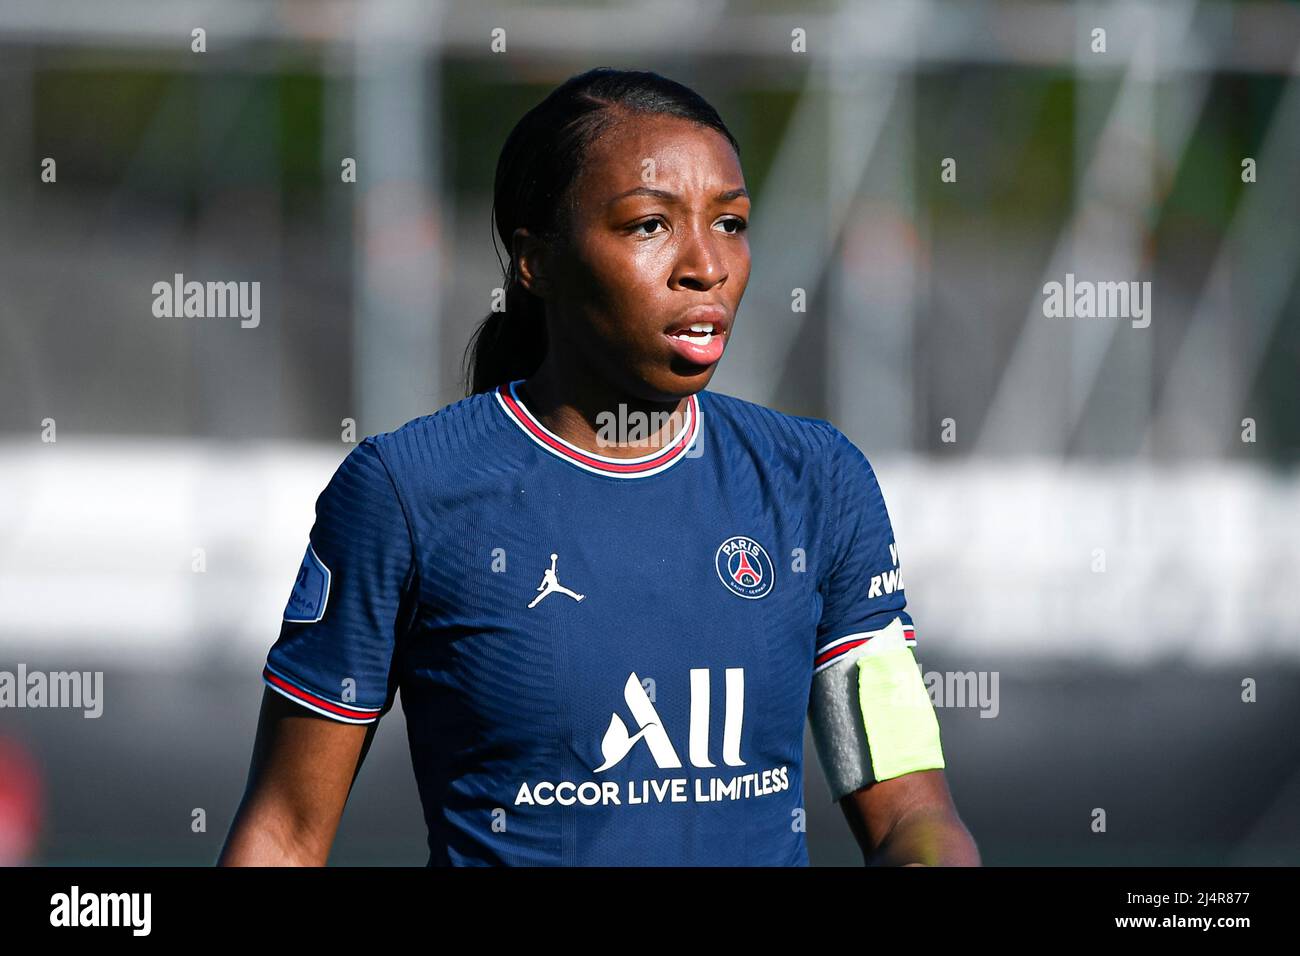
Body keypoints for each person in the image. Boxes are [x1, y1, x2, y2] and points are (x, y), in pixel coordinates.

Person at [219, 67, 979, 866]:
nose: (704, 265)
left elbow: (909, 812)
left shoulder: (819, 482)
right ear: (534, 261)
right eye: (650, 225)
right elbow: (285, 835)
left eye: (730, 222)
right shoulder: (405, 492)